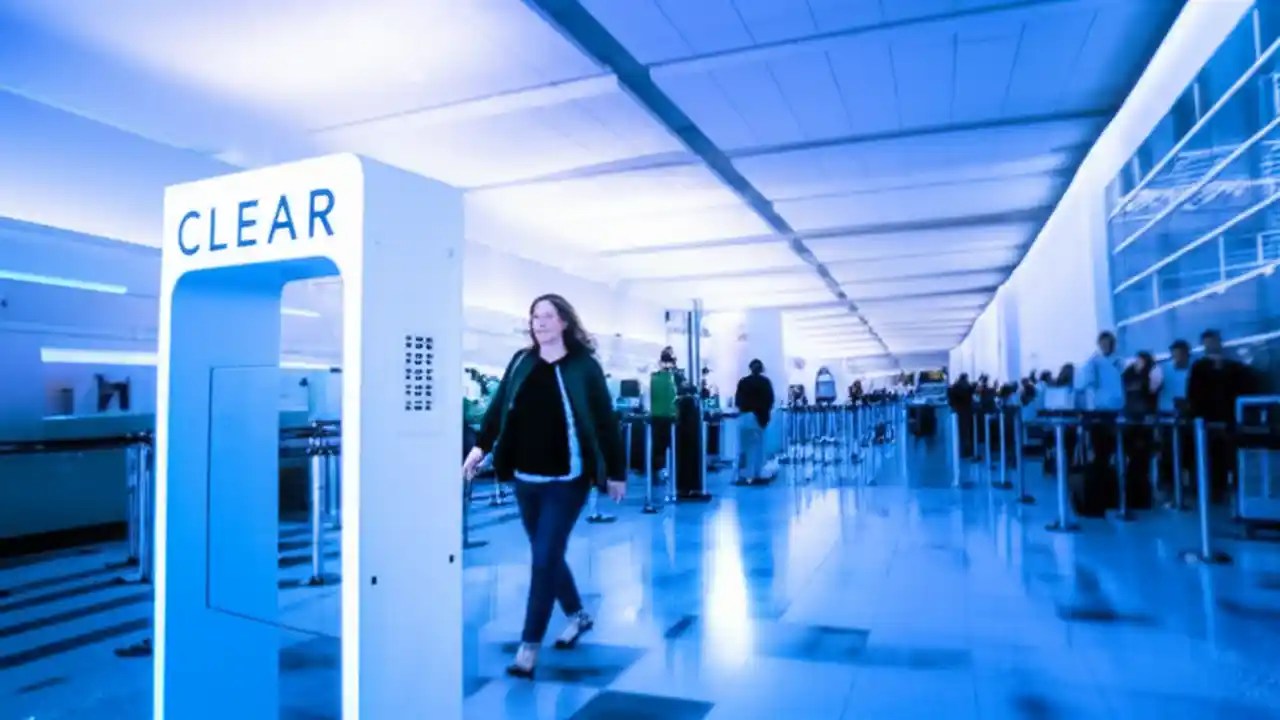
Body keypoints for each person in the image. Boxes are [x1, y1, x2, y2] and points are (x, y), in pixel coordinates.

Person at [462, 294, 627, 680]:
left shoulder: (583, 366)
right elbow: (500, 406)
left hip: (568, 479)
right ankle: (578, 615)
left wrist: (615, 471)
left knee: (542, 559)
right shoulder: (522, 361)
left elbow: (604, 420)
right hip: (526, 477)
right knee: (546, 553)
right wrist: (480, 447)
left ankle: (528, 648)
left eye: (548, 316)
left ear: (565, 321)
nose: (540, 323)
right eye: (535, 316)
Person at [1187, 329, 1250, 501]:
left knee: (1227, 455)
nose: (1211, 345)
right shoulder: (1200, 367)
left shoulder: (1232, 366)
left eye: (1213, 341)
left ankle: (1223, 489)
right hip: (1209, 418)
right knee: (1210, 455)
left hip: (1227, 416)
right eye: (1208, 342)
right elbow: (1194, 394)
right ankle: (1213, 489)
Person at [734, 359, 776, 485]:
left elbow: (738, 400)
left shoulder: (743, 382)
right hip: (759, 418)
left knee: (744, 447)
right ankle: (757, 474)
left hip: (745, 417)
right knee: (758, 448)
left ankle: (743, 474)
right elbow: (770, 400)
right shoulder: (765, 382)